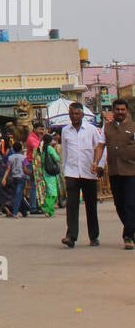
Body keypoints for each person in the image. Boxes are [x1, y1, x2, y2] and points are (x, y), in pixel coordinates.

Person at [60, 102, 104, 248]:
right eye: (72, 113)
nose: (74, 116)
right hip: (72, 173)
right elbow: (65, 153)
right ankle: (71, 236)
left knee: (91, 206)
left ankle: (94, 236)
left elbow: (99, 148)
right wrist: (65, 170)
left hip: (88, 173)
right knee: (71, 206)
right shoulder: (65, 131)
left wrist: (99, 166)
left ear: (82, 115)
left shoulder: (91, 130)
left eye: (77, 113)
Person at [102, 98, 135, 249]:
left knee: (130, 204)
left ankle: (127, 236)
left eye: (122, 110)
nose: (120, 112)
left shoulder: (133, 127)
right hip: (115, 172)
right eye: (117, 110)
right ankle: (131, 229)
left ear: (126, 111)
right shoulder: (107, 128)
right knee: (119, 205)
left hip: (131, 172)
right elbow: (100, 146)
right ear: (113, 111)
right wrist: (98, 164)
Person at [1, 140, 27, 217]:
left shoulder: (10, 158)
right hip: (21, 177)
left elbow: (8, 169)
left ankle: (24, 212)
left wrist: (4, 178)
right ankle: (15, 212)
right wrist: (30, 174)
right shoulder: (24, 158)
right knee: (18, 195)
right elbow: (25, 169)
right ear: (21, 149)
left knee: (19, 194)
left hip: (14, 177)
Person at [39, 130, 61, 217]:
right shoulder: (50, 149)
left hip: (44, 171)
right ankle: (46, 208)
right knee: (53, 192)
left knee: (49, 191)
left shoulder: (41, 149)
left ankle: (50, 211)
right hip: (51, 172)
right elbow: (57, 158)